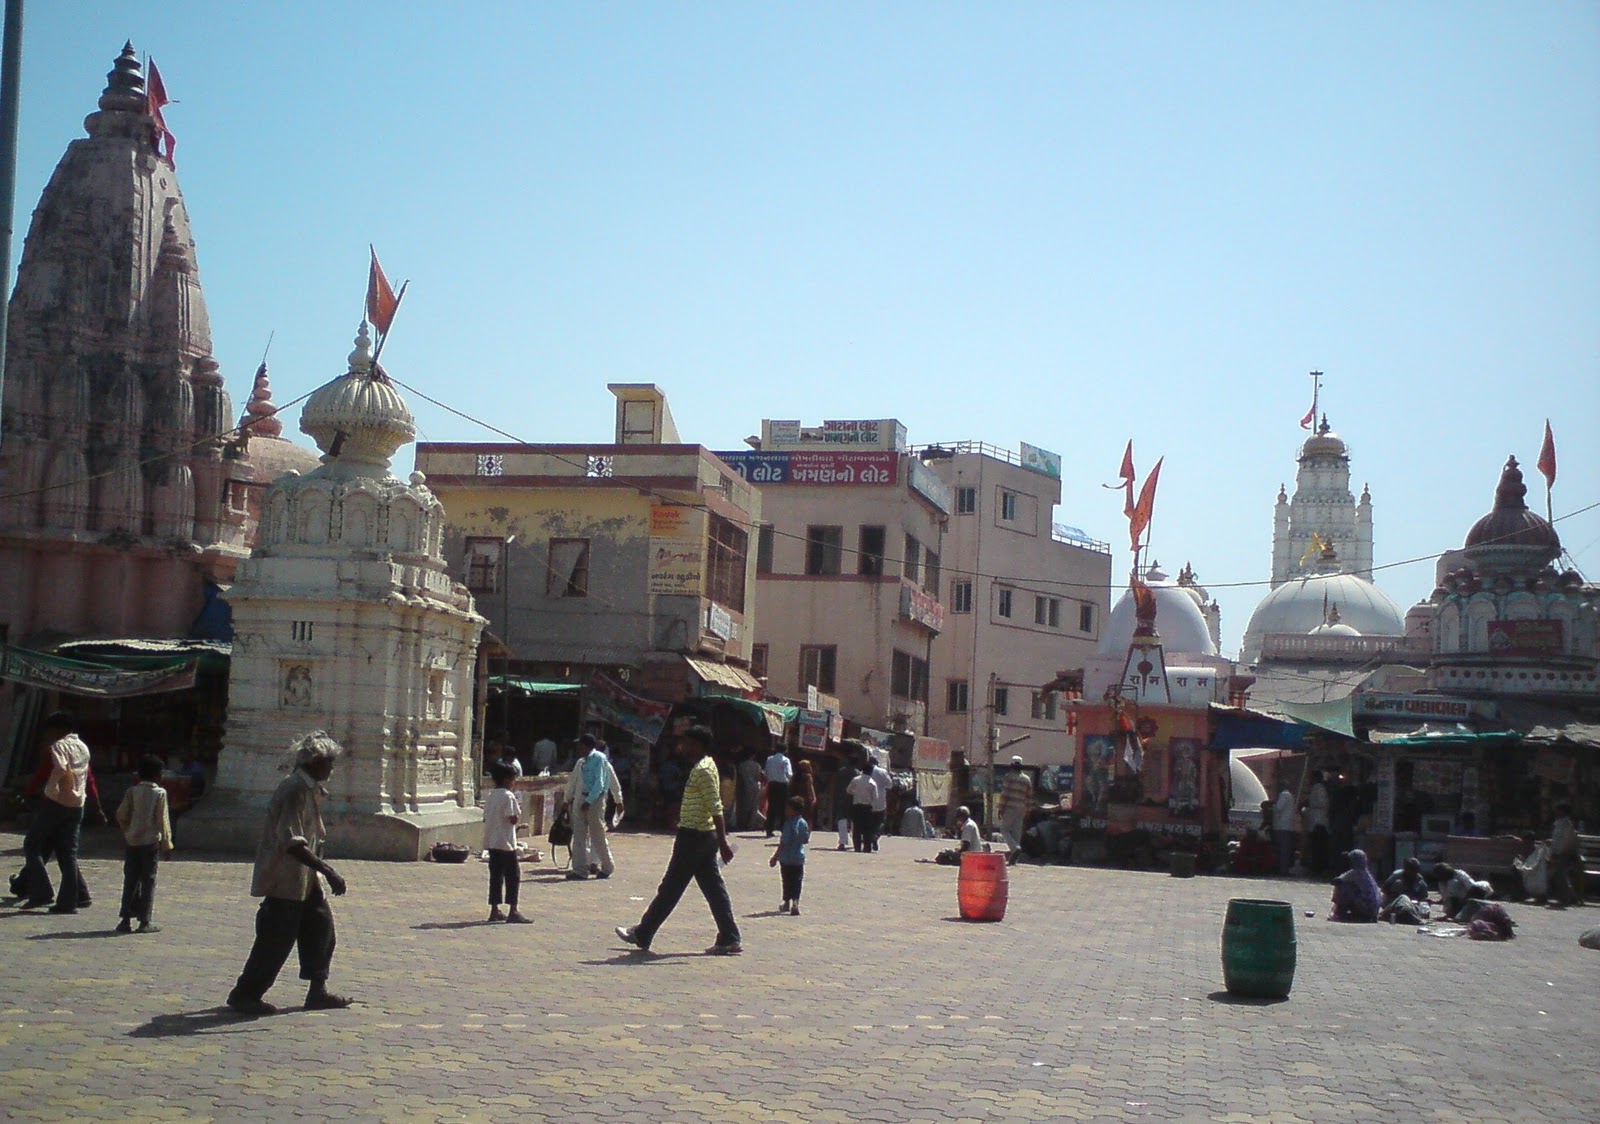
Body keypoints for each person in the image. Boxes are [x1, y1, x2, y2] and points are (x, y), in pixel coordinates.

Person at [226, 732, 354, 1016]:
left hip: (305, 880)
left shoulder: (310, 789)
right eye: (329, 764)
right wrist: (328, 870)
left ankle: (317, 991)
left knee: (321, 929)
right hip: (285, 876)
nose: (331, 769)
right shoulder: (294, 789)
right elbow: (291, 841)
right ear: (316, 763)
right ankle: (245, 993)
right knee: (275, 939)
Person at [616, 724, 742, 955]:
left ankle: (643, 933)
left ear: (697, 744)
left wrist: (724, 843)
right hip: (702, 836)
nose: (682, 747)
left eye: (687, 742)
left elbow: (716, 807)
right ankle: (729, 936)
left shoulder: (703, 770)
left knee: (671, 887)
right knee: (713, 888)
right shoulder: (707, 765)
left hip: (694, 837)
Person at [19, 711, 94, 913]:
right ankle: (71, 900)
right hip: (78, 805)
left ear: (59, 730)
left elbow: (57, 769)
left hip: (57, 803)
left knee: (32, 844)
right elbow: (89, 777)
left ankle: (41, 891)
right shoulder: (83, 747)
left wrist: (49, 790)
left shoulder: (58, 746)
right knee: (67, 853)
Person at [114, 754, 175, 934]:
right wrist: (167, 844)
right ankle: (144, 920)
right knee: (148, 880)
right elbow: (163, 821)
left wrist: (128, 831)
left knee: (131, 879)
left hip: (133, 841)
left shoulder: (132, 791)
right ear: (158, 775)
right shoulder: (160, 793)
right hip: (150, 843)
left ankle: (125, 919)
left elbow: (121, 814)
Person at [564, 734, 622, 881]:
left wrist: (590, 801)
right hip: (580, 800)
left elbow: (600, 784)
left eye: (580, 745)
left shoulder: (600, 760)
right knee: (578, 836)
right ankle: (579, 870)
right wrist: (567, 800)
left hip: (594, 801)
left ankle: (608, 867)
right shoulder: (581, 762)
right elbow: (572, 782)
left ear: (586, 745)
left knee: (597, 836)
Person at [483, 762, 530, 924]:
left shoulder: (491, 796)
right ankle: (513, 910)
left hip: (492, 842)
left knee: (496, 876)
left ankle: (494, 909)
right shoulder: (508, 796)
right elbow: (512, 818)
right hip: (506, 843)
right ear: (506, 779)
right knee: (513, 875)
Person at [770, 795, 810, 916]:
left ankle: (786, 901)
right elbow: (806, 840)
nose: (786, 810)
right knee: (797, 881)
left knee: (787, 881)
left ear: (794, 810)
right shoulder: (803, 823)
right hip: (798, 858)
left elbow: (783, 842)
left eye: (788, 808)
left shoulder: (788, 824)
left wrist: (775, 856)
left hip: (786, 859)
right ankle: (796, 902)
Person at [1328, 848, 1382, 922]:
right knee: (1352, 887)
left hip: (1366, 909)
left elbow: (1335, 881)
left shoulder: (1356, 872)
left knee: (1342, 887)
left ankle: (1339, 913)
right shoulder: (1367, 873)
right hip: (1373, 910)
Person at [997, 756, 1033, 860]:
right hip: (1021, 808)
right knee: (1017, 832)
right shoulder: (1027, 779)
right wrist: (1028, 810)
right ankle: (1015, 858)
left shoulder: (1009, 777)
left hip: (1010, 807)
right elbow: (1029, 796)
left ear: (1011, 765)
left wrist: (1001, 808)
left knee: (1004, 830)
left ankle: (1014, 848)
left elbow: (1005, 794)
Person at [1548, 802, 1582, 907]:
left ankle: (1566, 897)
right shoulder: (1557, 823)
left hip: (1564, 854)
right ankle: (1571, 896)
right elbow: (1556, 840)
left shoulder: (1567, 824)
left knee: (1560, 875)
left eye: (1558, 810)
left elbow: (1565, 841)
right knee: (1557, 875)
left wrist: (1558, 852)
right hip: (1556, 852)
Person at [1379, 856, 1432, 923]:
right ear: (1405, 868)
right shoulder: (1396, 875)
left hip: (1411, 904)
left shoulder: (1420, 881)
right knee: (1400, 890)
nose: (1413, 873)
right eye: (1411, 870)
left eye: (1415, 870)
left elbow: (1423, 897)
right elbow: (1384, 889)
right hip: (1393, 902)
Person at [846, 763, 879, 853]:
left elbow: (848, 790)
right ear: (871, 772)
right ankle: (867, 848)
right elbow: (875, 797)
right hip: (867, 808)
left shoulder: (855, 780)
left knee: (857, 828)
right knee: (867, 828)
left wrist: (856, 793)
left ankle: (857, 847)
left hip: (857, 806)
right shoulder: (872, 783)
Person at [1303, 771, 1331, 875]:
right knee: (1316, 845)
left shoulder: (1318, 788)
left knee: (1318, 846)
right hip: (1315, 821)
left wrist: (1309, 804)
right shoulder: (1316, 788)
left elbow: (1321, 803)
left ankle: (1318, 867)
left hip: (1318, 822)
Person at [763, 747, 793, 838]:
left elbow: (766, 772)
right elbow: (789, 773)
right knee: (783, 807)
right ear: (785, 751)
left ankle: (769, 830)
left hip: (772, 785)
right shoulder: (785, 760)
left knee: (771, 807)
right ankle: (783, 829)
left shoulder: (769, 759)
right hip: (783, 785)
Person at [864, 756, 892, 851]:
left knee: (869, 822)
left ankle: (870, 837)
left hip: (868, 800)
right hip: (880, 801)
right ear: (877, 763)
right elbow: (889, 785)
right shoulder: (882, 772)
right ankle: (875, 835)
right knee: (881, 821)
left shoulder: (864, 772)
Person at [831, 759, 858, 851]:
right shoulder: (857, 773)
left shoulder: (841, 771)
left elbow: (835, 785)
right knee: (854, 821)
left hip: (842, 798)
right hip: (854, 799)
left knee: (842, 820)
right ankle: (856, 842)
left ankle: (842, 843)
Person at [1272, 784, 1298, 877]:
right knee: (1285, 849)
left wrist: (1272, 806)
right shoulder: (1290, 795)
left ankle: (1282, 869)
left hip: (1282, 826)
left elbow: (1278, 808)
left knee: (1282, 849)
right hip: (1287, 826)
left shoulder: (1284, 795)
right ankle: (1284, 869)